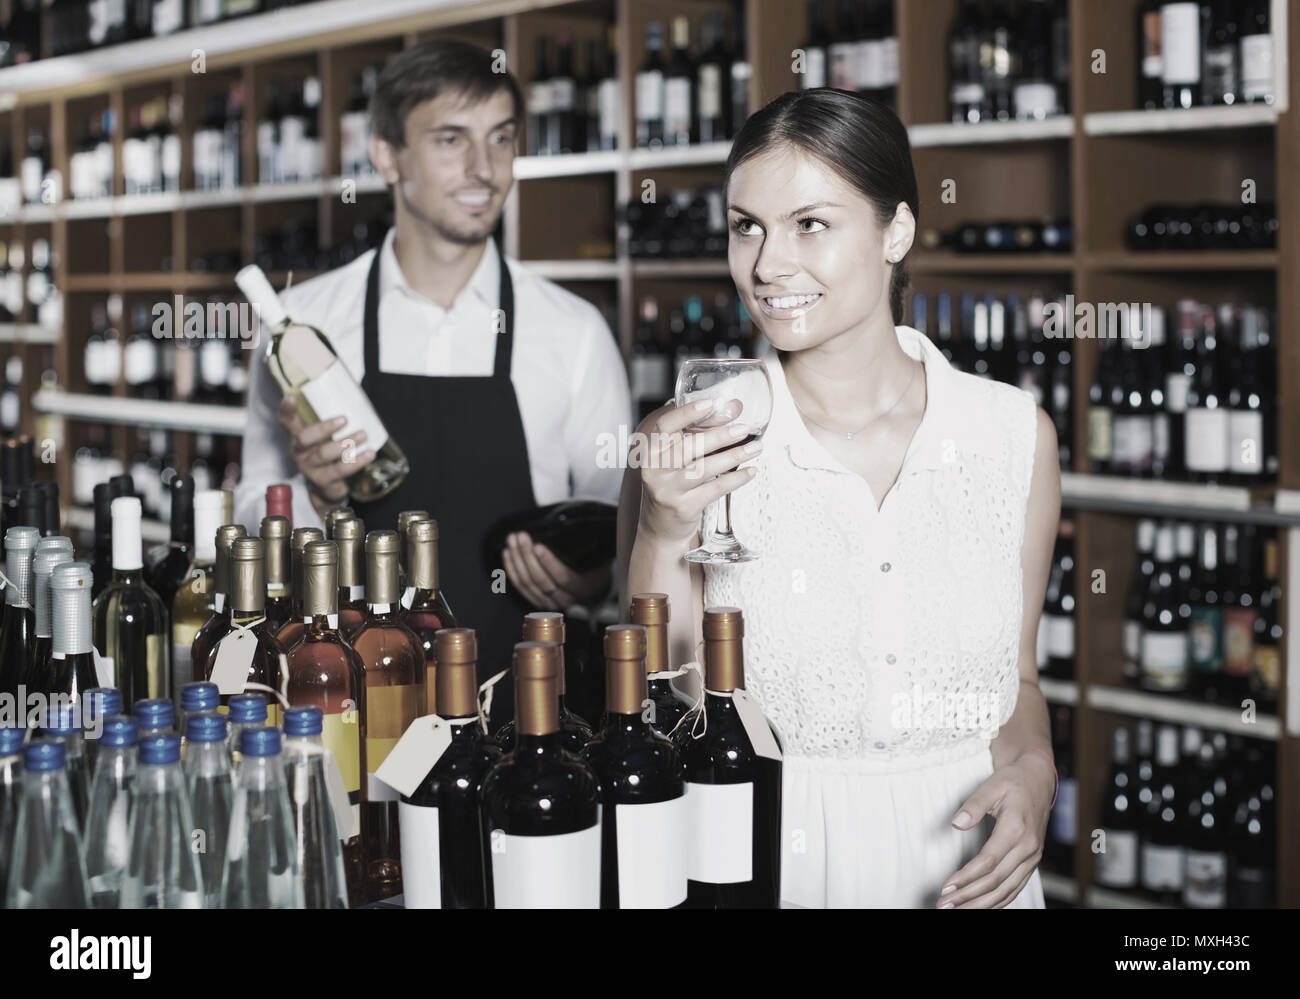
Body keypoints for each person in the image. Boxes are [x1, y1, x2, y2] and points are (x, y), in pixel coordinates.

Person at [619, 89, 1058, 908]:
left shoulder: (1012, 434)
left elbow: (1017, 683)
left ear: (896, 230)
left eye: (809, 224)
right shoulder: (693, 434)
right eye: (746, 225)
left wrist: (1037, 772)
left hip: (969, 870)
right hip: (772, 860)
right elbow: (662, 693)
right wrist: (663, 521)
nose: (767, 264)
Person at [237, 41, 631, 713]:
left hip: (523, 714)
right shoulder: (302, 324)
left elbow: (623, 526)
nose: (485, 169)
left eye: (501, 139)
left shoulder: (573, 331)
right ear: (385, 154)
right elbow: (251, 514)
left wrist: (590, 574)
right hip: (347, 706)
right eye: (452, 140)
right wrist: (318, 497)